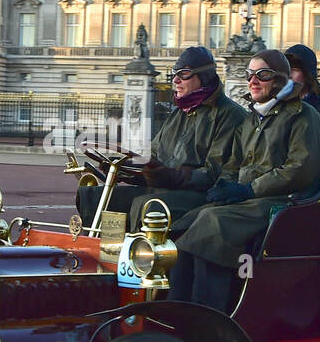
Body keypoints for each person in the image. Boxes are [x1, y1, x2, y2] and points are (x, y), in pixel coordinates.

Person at [169, 50, 320, 313]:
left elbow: (299, 169)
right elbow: (234, 162)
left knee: (214, 223)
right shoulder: (253, 118)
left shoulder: (303, 116)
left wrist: (248, 189)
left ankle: (210, 313)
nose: (253, 81)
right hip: (250, 201)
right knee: (185, 221)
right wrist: (225, 185)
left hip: (285, 202)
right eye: (249, 75)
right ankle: (177, 306)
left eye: (262, 75)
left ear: (279, 79)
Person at [75, 46, 244, 230]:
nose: (176, 80)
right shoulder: (180, 111)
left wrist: (172, 177)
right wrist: (125, 168)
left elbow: (215, 172)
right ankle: (105, 250)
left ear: (205, 77)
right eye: (175, 74)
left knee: (147, 206)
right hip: (167, 188)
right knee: (92, 196)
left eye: (184, 74)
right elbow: (153, 156)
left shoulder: (230, 115)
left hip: (200, 195)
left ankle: (139, 255)